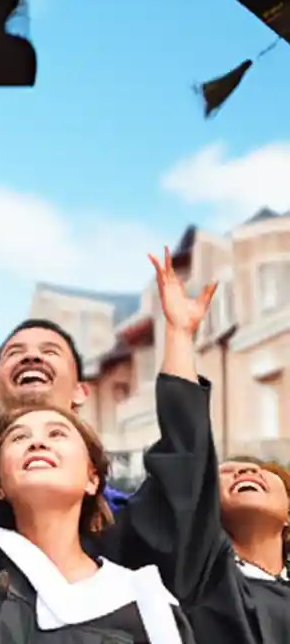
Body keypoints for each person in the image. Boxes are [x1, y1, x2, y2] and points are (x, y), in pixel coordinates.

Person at [0, 210, 195, 644]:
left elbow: (184, 472)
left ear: (93, 475)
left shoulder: (142, 584)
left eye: (49, 350)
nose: (31, 357)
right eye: (21, 437)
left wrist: (179, 335)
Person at [114, 249, 290, 643]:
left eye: (261, 472)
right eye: (224, 474)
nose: (244, 471)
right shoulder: (205, 579)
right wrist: (179, 335)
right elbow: (186, 454)